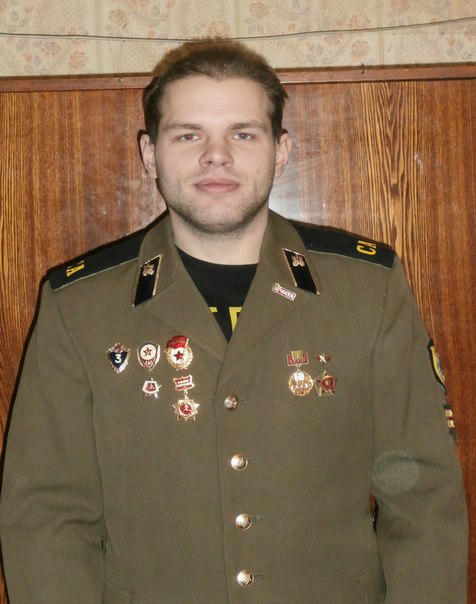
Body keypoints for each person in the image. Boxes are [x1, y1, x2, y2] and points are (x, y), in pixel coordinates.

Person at [0, 39, 467, 604]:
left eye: (243, 134)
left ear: (281, 151)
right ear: (150, 154)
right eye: (188, 135)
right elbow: (48, 514)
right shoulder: (80, 306)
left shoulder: (367, 288)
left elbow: (421, 494)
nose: (215, 156)